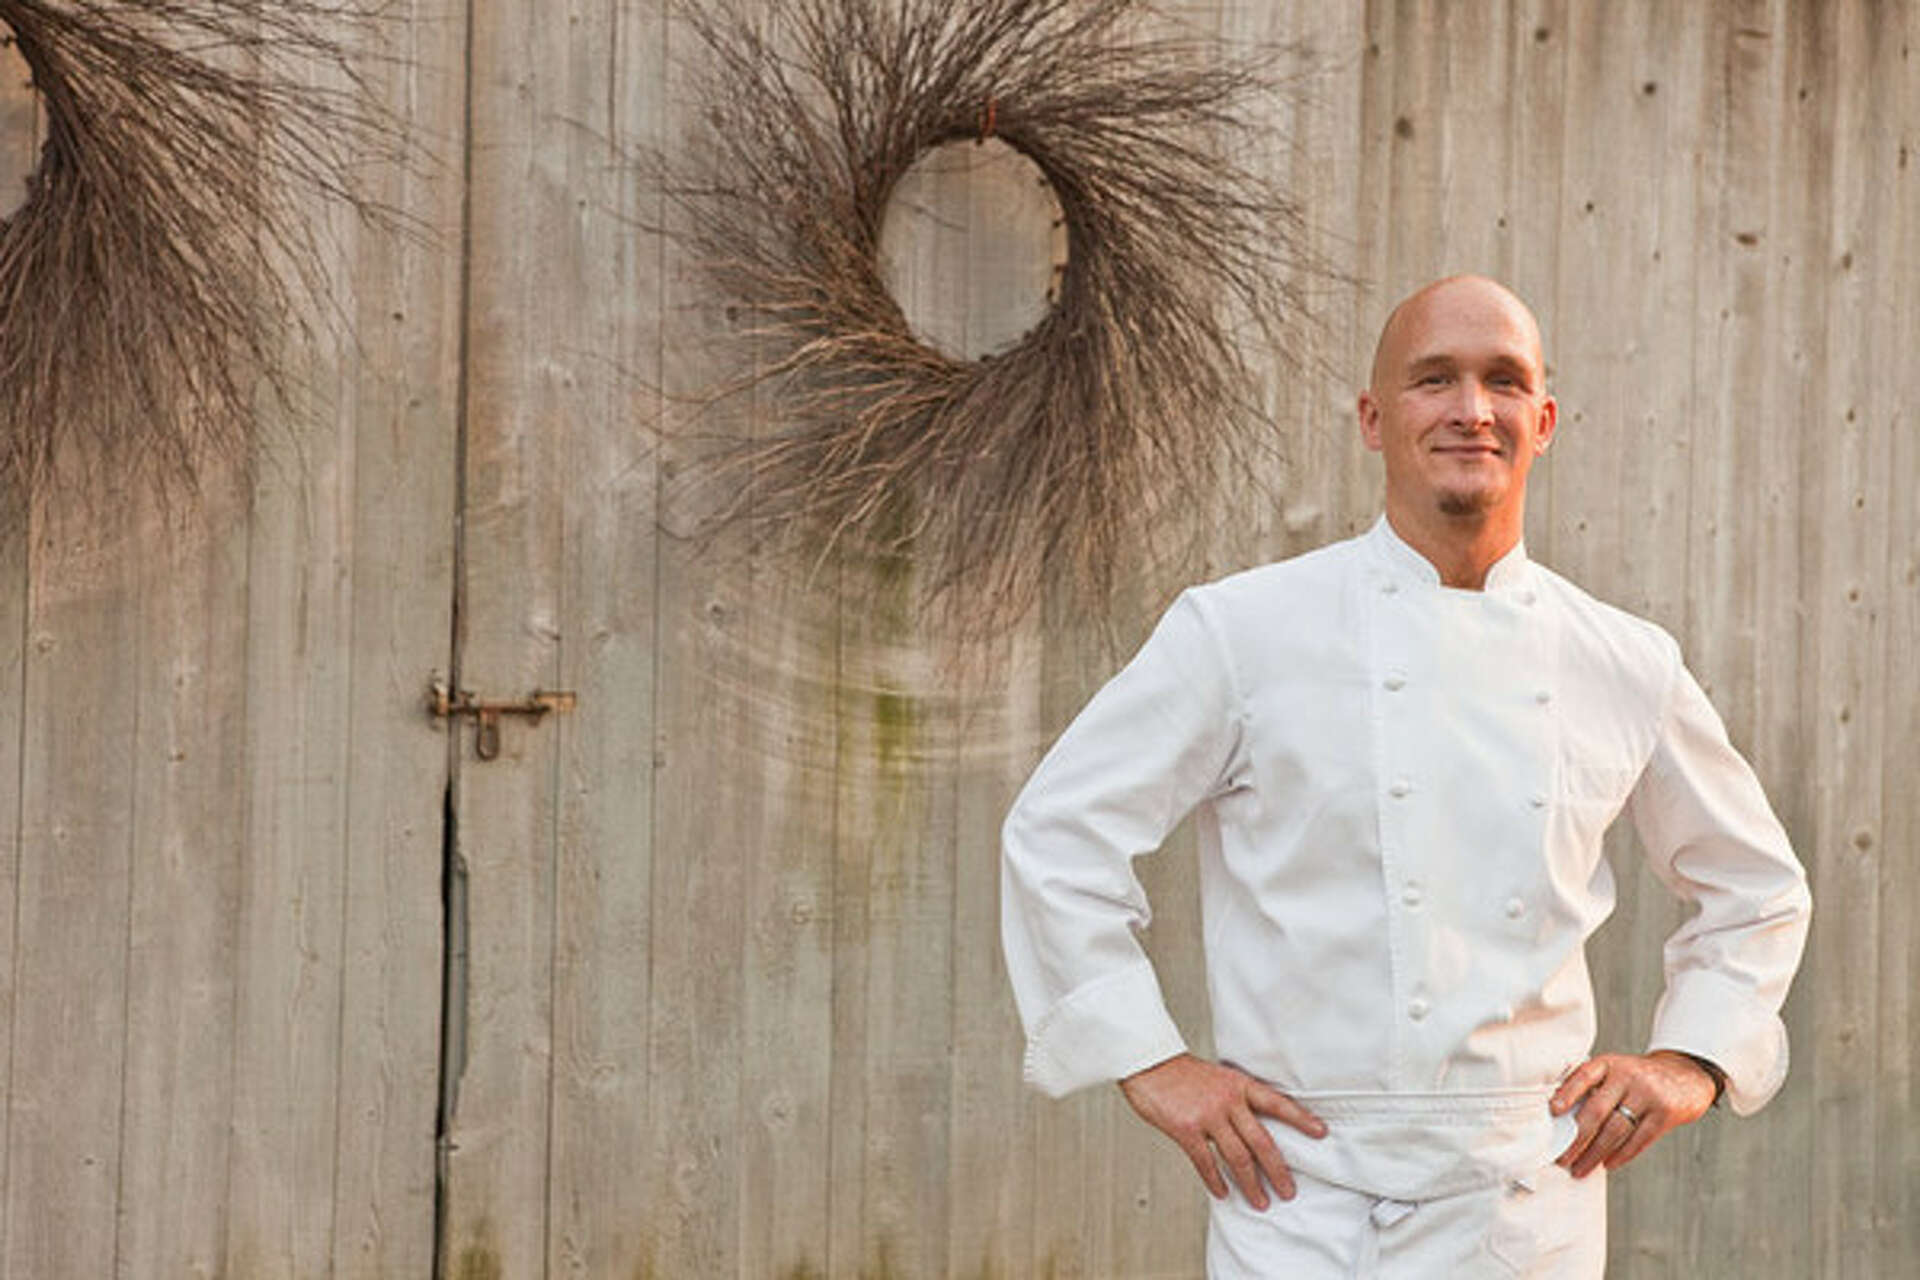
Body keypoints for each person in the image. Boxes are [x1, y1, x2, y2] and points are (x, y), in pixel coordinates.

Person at [1000, 275, 1812, 1277]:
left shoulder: (1623, 660)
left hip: (1526, 1201)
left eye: (1504, 381)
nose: (1472, 409)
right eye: (1435, 379)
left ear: (1543, 421)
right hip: (1294, 1195)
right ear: (1373, 419)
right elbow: (1061, 831)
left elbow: (1757, 887)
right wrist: (1147, 1057)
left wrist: (1693, 1059)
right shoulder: (1242, 631)